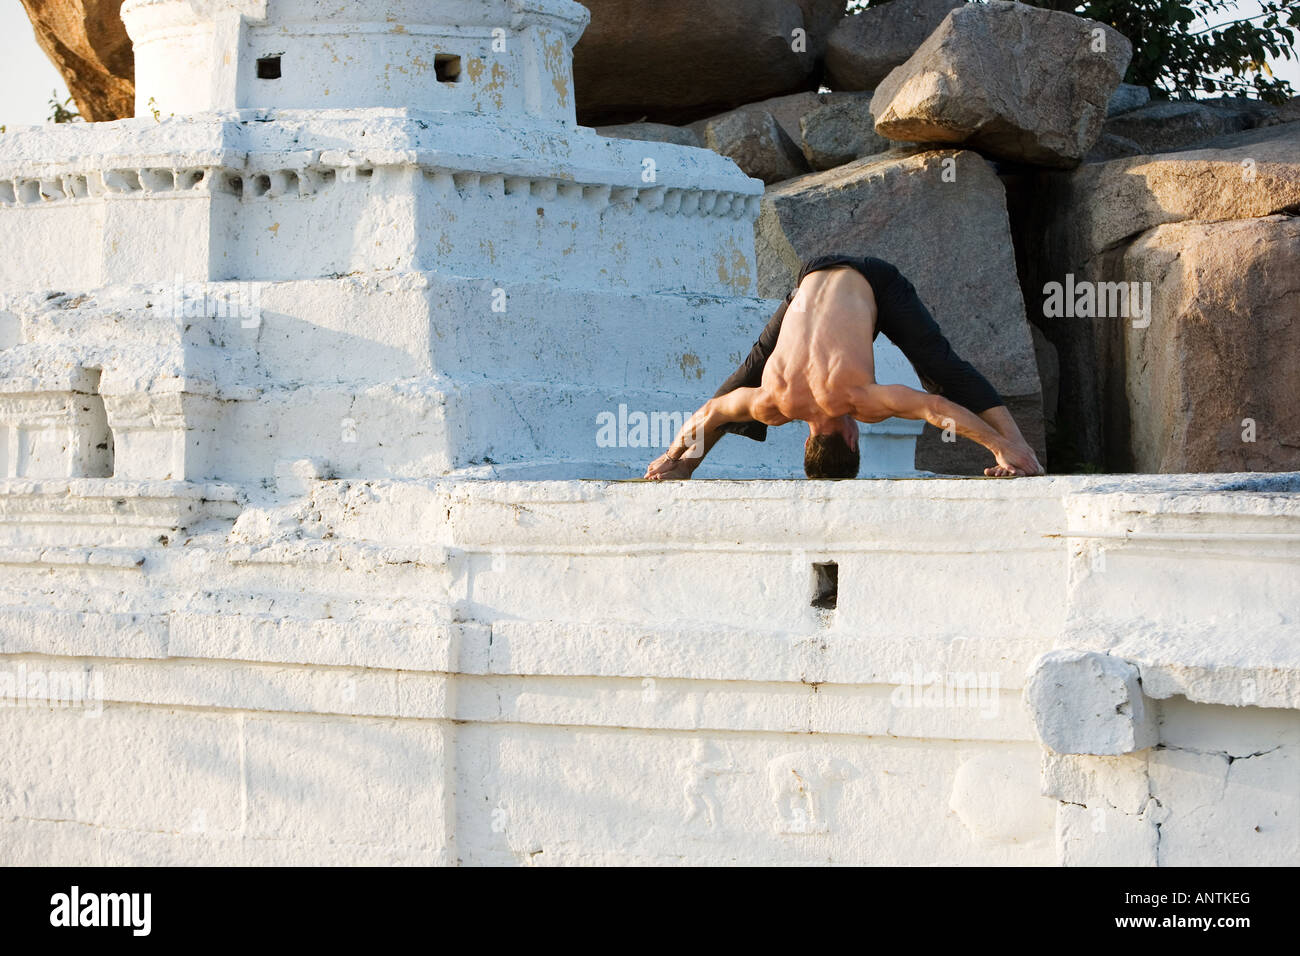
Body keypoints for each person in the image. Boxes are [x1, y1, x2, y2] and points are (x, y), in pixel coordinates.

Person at [644, 254, 1044, 480]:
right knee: (741, 383)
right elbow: (709, 413)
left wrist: (1001, 446)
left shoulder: (860, 402)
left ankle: (1020, 452)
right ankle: (683, 466)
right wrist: (671, 451)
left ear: (853, 442)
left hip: (871, 280)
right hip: (807, 279)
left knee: (943, 368)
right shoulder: (772, 403)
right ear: (807, 444)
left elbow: (936, 410)